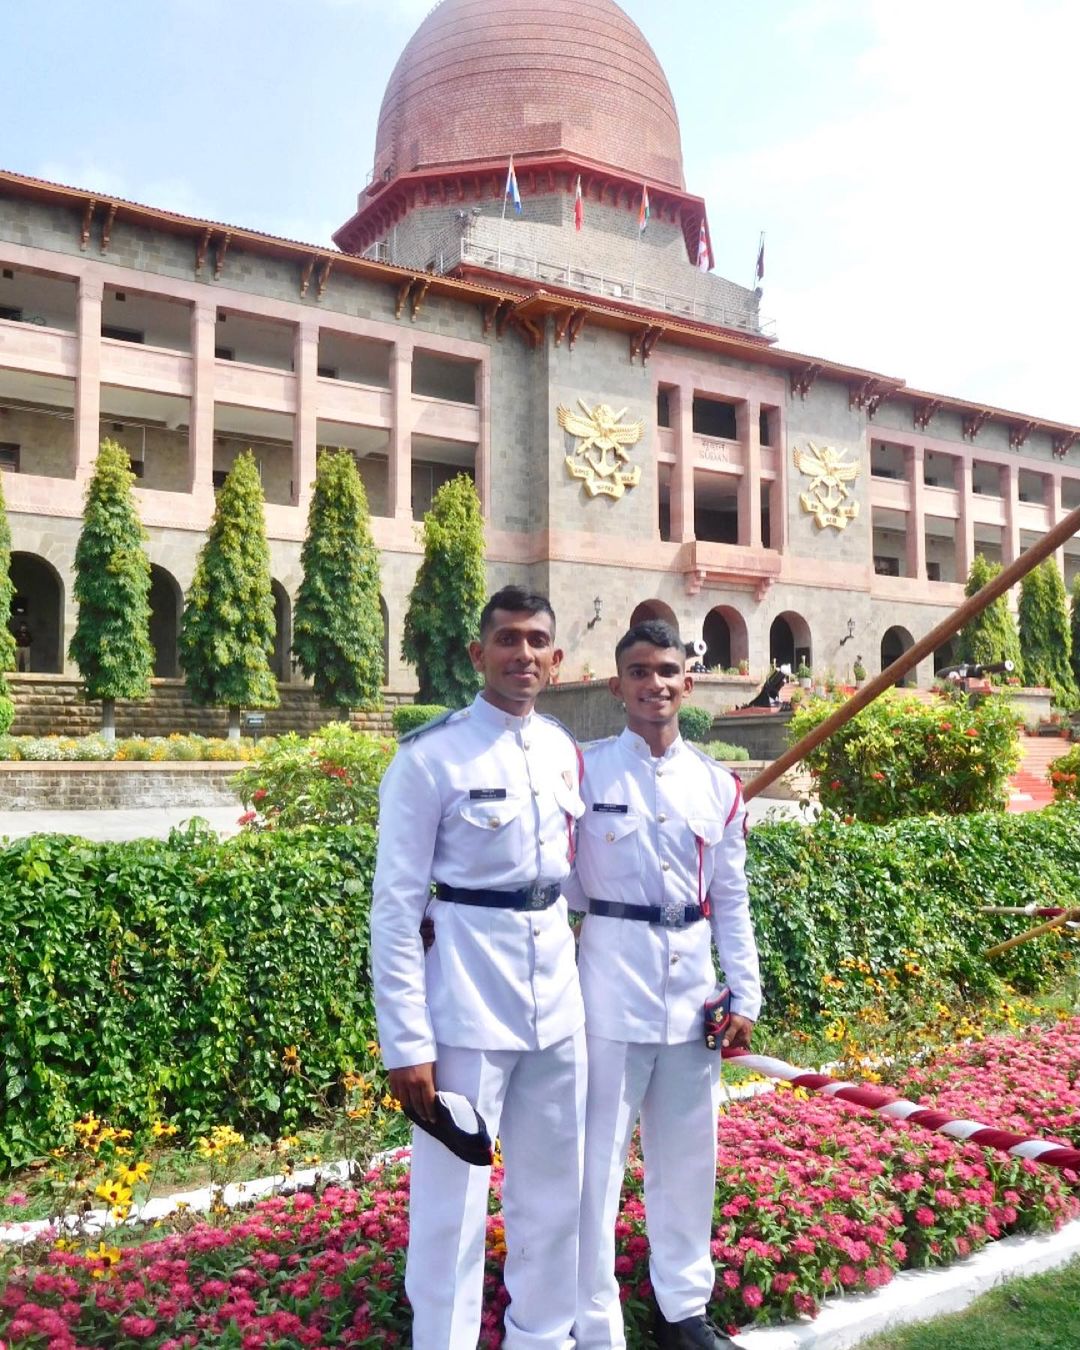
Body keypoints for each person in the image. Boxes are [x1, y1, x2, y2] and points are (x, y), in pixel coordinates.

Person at [370, 585, 588, 1349]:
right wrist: (407, 1043)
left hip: (557, 1006)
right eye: (507, 639)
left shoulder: (562, 748)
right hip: (465, 1005)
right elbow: (395, 910)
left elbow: (570, 879)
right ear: (478, 653)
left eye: (536, 641)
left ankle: (543, 1337)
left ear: (555, 660)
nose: (522, 654)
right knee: (451, 1203)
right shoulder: (431, 757)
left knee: (555, 1191)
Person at [569, 620, 762, 1350]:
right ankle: (596, 1327)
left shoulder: (716, 785)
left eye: (668, 671)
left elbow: (732, 897)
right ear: (618, 684)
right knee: (597, 1167)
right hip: (609, 992)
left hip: (692, 997)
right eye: (639, 671)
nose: (655, 684)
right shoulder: (584, 774)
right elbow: (558, 885)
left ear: (689, 682)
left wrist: (745, 995)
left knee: (688, 1162)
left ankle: (683, 1315)